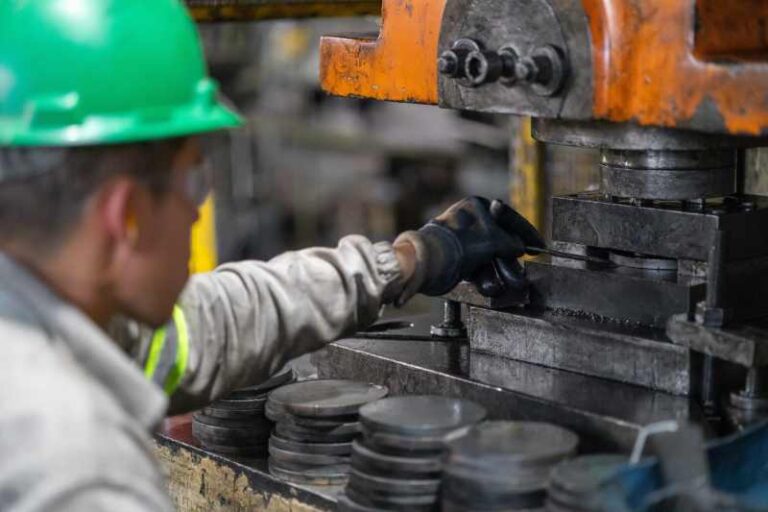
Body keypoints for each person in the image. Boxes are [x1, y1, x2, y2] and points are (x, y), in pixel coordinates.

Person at [0, 0, 544, 510]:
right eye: (194, 177)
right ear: (128, 216)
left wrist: (411, 258)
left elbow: (209, 325)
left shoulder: (55, 324)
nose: (200, 204)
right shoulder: (76, 474)